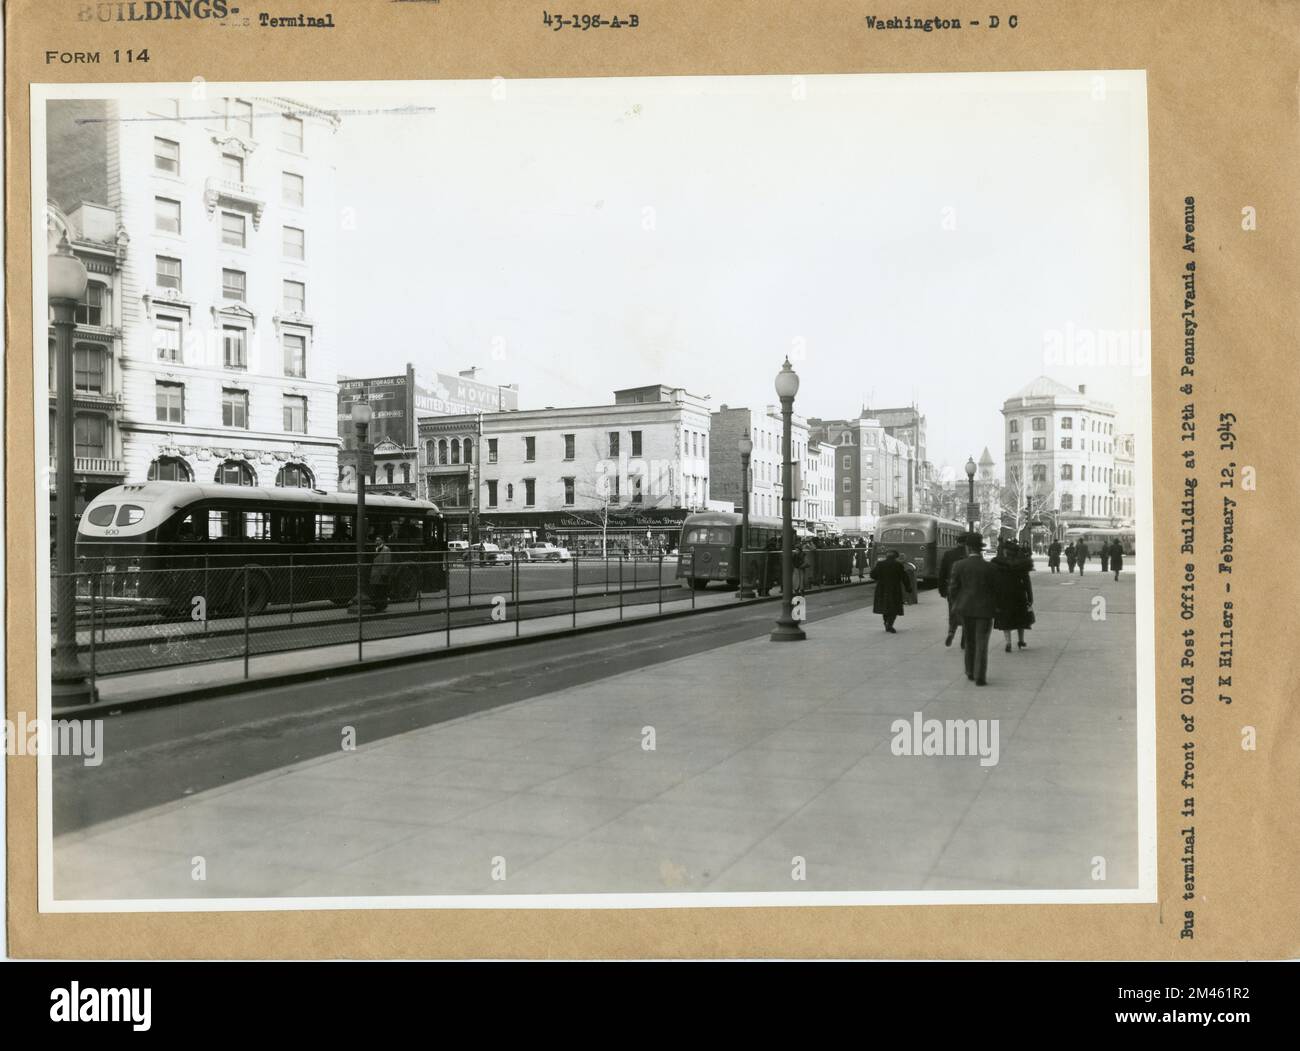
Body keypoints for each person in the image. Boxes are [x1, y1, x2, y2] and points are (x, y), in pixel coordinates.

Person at [948, 534, 1000, 685]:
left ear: (968, 547)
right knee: (982, 642)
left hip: (965, 608)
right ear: (981, 549)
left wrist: (956, 603)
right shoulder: (991, 567)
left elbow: (953, 588)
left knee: (969, 641)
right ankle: (980, 675)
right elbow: (997, 590)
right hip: (985, 610)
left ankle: (969, 670)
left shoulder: (958, 565)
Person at [992, 540, 1034, 652]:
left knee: (1006, 620)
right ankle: (1021, 640)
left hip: (1003, 595)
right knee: (1020, 619)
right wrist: (1030, 597)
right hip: (1019, 595)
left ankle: (1008, 643)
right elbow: (1027, 583)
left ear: (1005, 551)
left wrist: (994, 597)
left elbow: (994, 582)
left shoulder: (997, 564)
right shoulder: (1022, 564)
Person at [937, 534, 970, 647]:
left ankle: (951, 631)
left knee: (953, 611)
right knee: (967, 613)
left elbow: (942, 572)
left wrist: (941, 589)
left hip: (952, 588)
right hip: (967, 589)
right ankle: (964, 639)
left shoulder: (949, 554)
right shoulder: (969, 555)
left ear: (957, 542)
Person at [869, 549, 912, 633]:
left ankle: (886, 622)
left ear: (887, 556)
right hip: (894, 589)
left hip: (882, 588)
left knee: (885, 607)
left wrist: (880, 579)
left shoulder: (880, 564)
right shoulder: (898, 565)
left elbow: (872, 575)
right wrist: (908, 588)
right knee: (894, 607)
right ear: (896, 557)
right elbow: (904, 577)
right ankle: (890, 624)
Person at [368, 535, 394, 612]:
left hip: (381, 573)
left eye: (378, 540)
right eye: (376, 540)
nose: (377, 542)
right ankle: (378, 605)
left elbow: (387, 562)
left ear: (382, 541)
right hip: (376, 573)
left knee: (382, 591)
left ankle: (381, 606)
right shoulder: (376, 549)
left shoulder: (386, 549)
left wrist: (384, 573)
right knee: (377, 590)